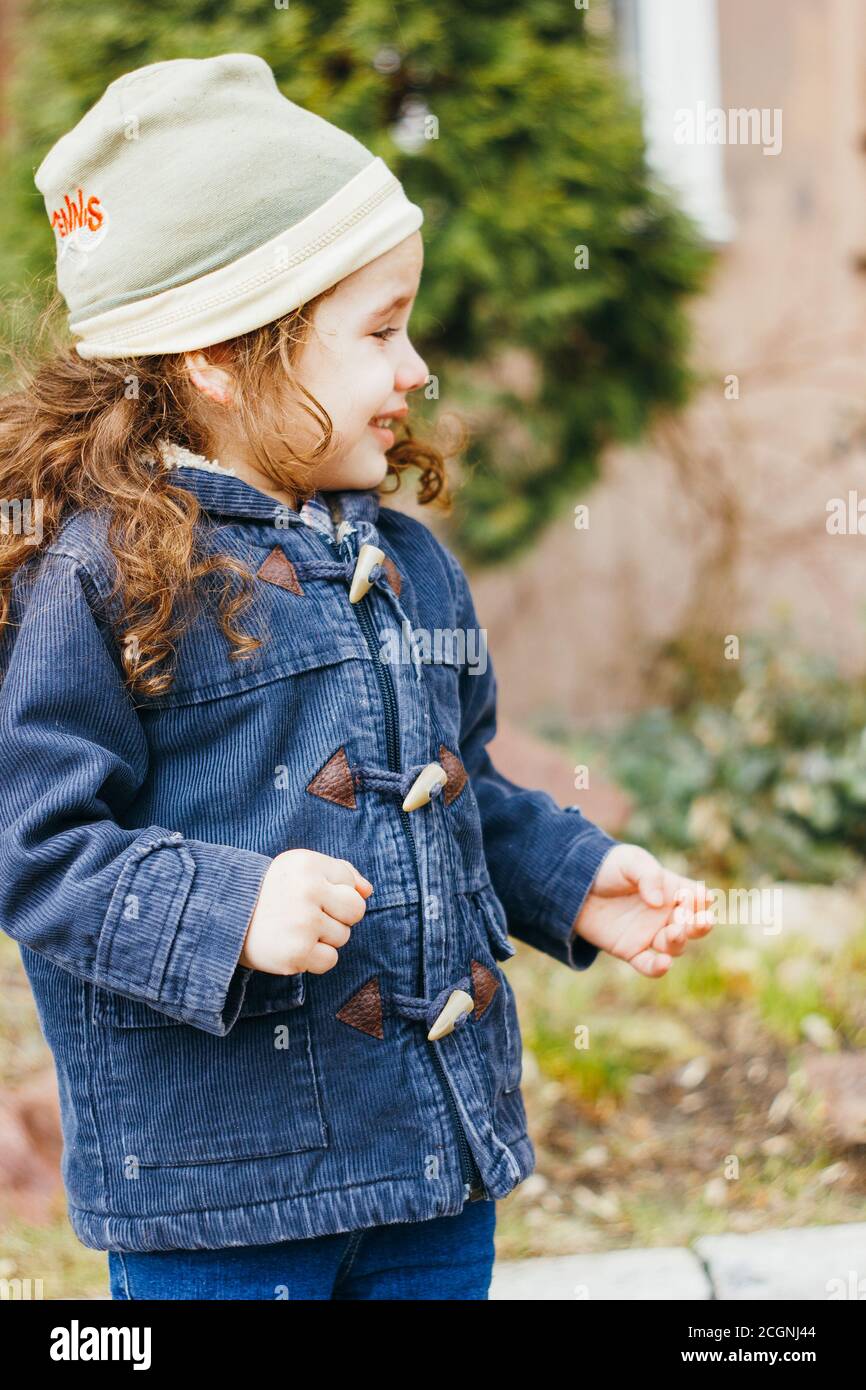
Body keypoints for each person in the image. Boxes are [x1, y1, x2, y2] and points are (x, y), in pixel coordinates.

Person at [0, 53, 713, 1301]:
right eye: (379, 330)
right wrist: (228, 911)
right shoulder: (101, 575)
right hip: (223, 1202)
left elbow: (453, 788)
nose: (415, 367)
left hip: (433, 1162)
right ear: (223, 354)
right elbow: (34, 842)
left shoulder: (408, 563)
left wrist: (569, 877)